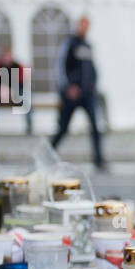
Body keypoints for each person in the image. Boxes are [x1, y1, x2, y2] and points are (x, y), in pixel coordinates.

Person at [51, 16, 103, 170]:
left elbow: (91, 68)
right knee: (63, 128)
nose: (84, 28)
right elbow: (60, 67)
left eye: (87, 25)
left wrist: (93, 85)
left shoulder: (88, 45)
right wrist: (67, 87)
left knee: (95, 126)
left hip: (87, 95)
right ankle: (49, 153)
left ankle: (99, 160)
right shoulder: (70, 43)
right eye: (82, 25)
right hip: (71, 95)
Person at [0, 42, 30, 135]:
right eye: (5, 56)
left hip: (16, 91)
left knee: (27, 99)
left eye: (8, 56)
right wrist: (0, 90)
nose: (7, 58)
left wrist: (12, 91)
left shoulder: (18, 66)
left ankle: (29, 127)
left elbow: (24, 80)